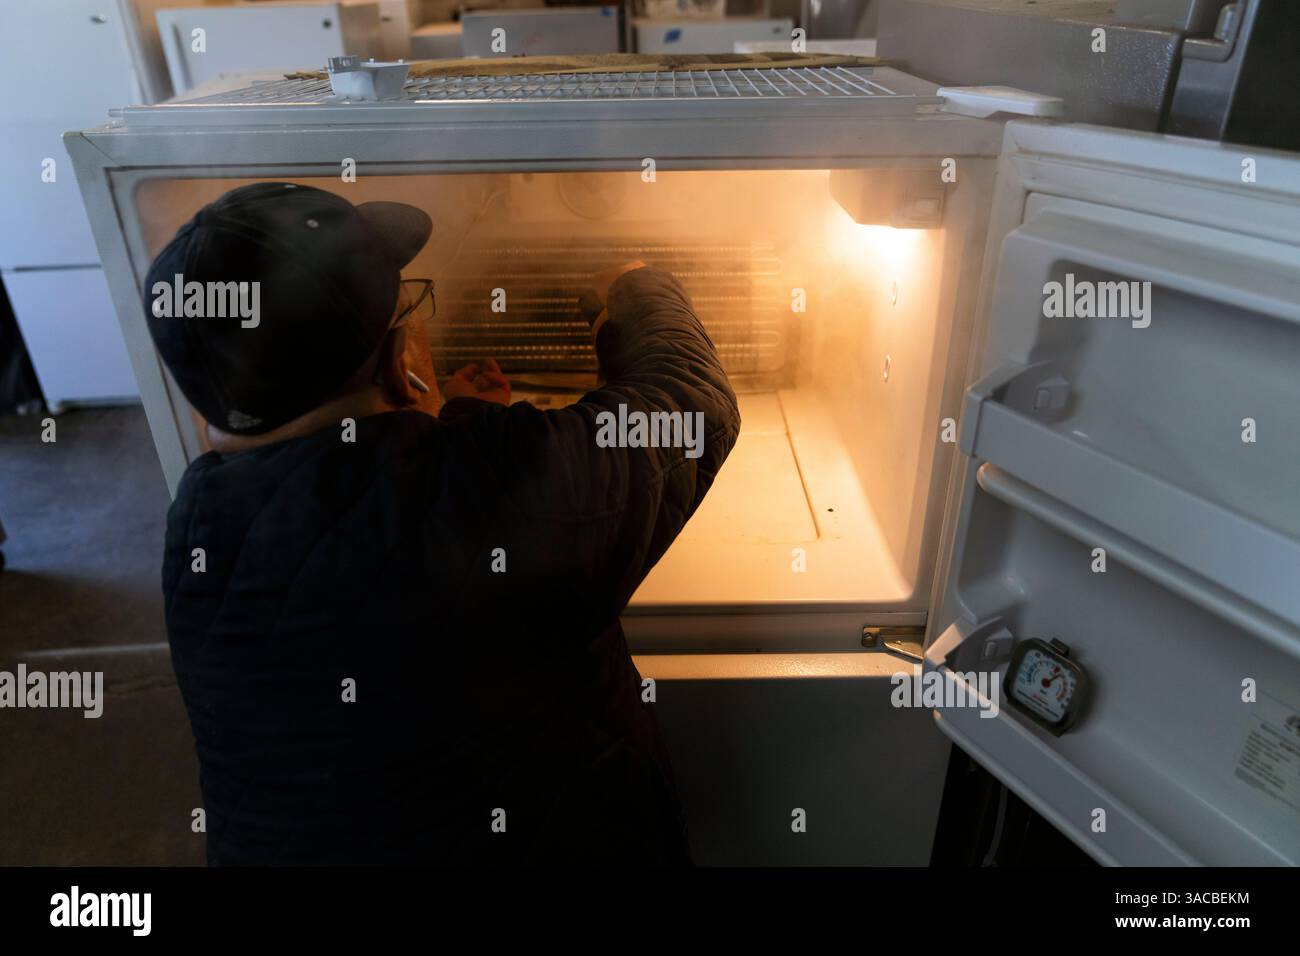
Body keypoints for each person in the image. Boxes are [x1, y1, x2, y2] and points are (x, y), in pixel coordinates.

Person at [143, 182, 740, 865]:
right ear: (402, 363)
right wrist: (638, 285)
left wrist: (443, 422)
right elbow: (692, 407)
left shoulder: (196, 525)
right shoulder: (489, 489)